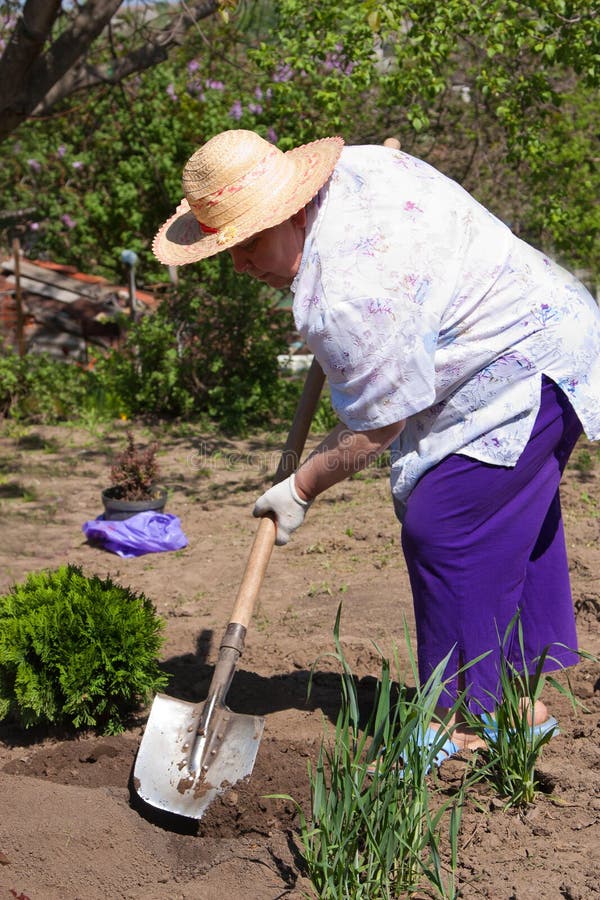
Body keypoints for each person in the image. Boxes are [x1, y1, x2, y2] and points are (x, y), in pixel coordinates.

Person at [153, 128, 600, 766]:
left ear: (293, 210)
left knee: (448, 527)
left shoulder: (342, 295)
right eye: (228, 248)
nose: (241, 264)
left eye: (249, 242)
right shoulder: (358, 170)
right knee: (501, 516)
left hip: (524, 360)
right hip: (540, 327)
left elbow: (378, 427)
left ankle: (467, 722)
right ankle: (518, 705)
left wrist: (300, 487)